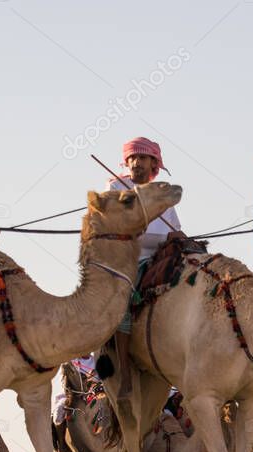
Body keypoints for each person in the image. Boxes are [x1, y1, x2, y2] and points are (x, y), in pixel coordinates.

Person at [107, 137, 185, 398]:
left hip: (162, 258)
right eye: (133, 159)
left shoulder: (161, 193)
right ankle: (125, 374)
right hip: (130, 258)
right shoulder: (116, 188)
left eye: (143, 159)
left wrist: (182, 239)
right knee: (124, 299)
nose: (137, 163)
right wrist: (166, 238)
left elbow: (176, 230)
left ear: (154, 164)